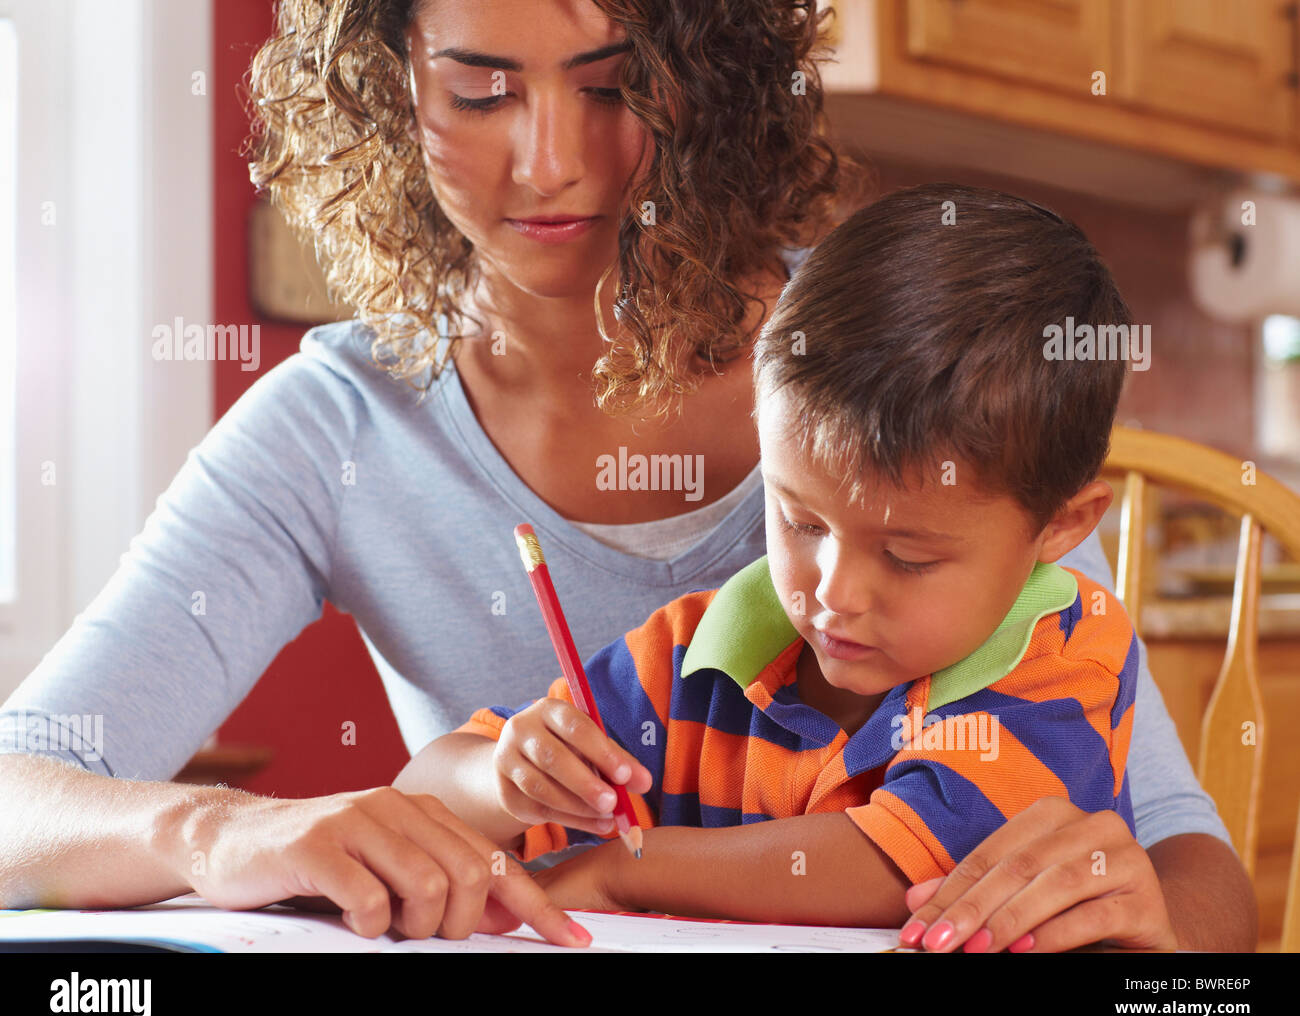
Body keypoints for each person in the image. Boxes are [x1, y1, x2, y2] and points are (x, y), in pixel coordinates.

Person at [0, 0, 1254, 951]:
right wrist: (224, 831)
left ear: (710, 85)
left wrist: (1146, 929)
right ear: (390, 94)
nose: (550, 163)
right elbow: (19, 791)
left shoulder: (895, 359)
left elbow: (1193, 869)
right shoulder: (331, 430)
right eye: (480, 91)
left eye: (616, 88)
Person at [409, 182, 1147, 938]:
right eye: (800, 519)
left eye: (907, 557)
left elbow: (901, 865)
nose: (836, 592)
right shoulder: (695, 655)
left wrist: (623, 869)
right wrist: (505, 777)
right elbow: (420, 802)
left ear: (1062, 527)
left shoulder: (1065, 653)